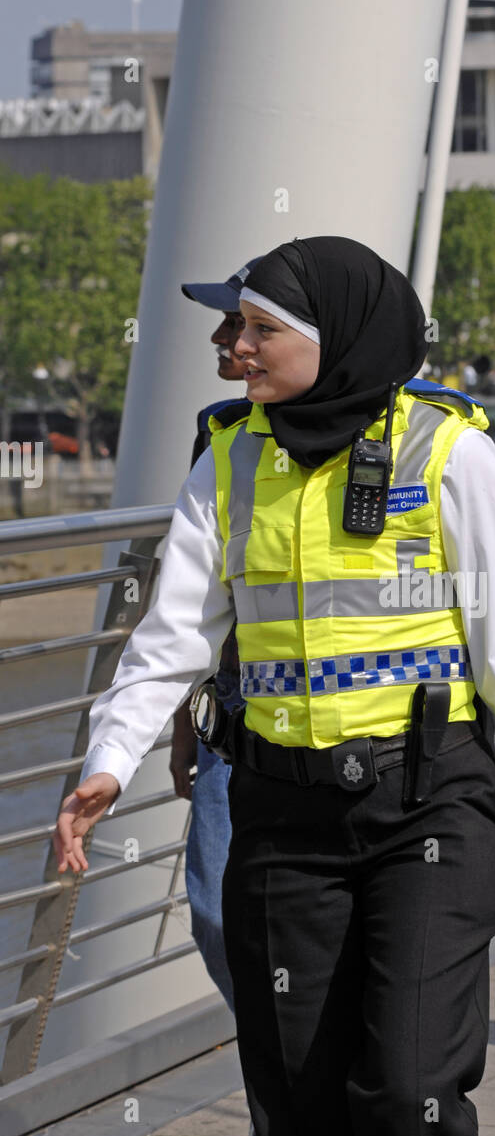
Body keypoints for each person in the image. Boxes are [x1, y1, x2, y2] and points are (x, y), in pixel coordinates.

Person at [53, 235, 495, 1136]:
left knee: (407, 1087)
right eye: (235, 329)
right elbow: (172, 635)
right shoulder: (229, 456)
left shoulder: (448, 451)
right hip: (283, 818)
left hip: (427, 805)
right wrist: (107, 764)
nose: (232, 348)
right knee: (293, 1105)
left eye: (258, 330)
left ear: (332, 339)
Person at [170, 255, 262, 1012]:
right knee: (214, 911)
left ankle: (302, 1098)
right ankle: (283, 1081)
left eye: (236, 322)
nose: (219, 336)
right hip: (228, 709)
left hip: (337, 715)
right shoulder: (219, 436)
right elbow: (193, 596)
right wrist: (181, 721)